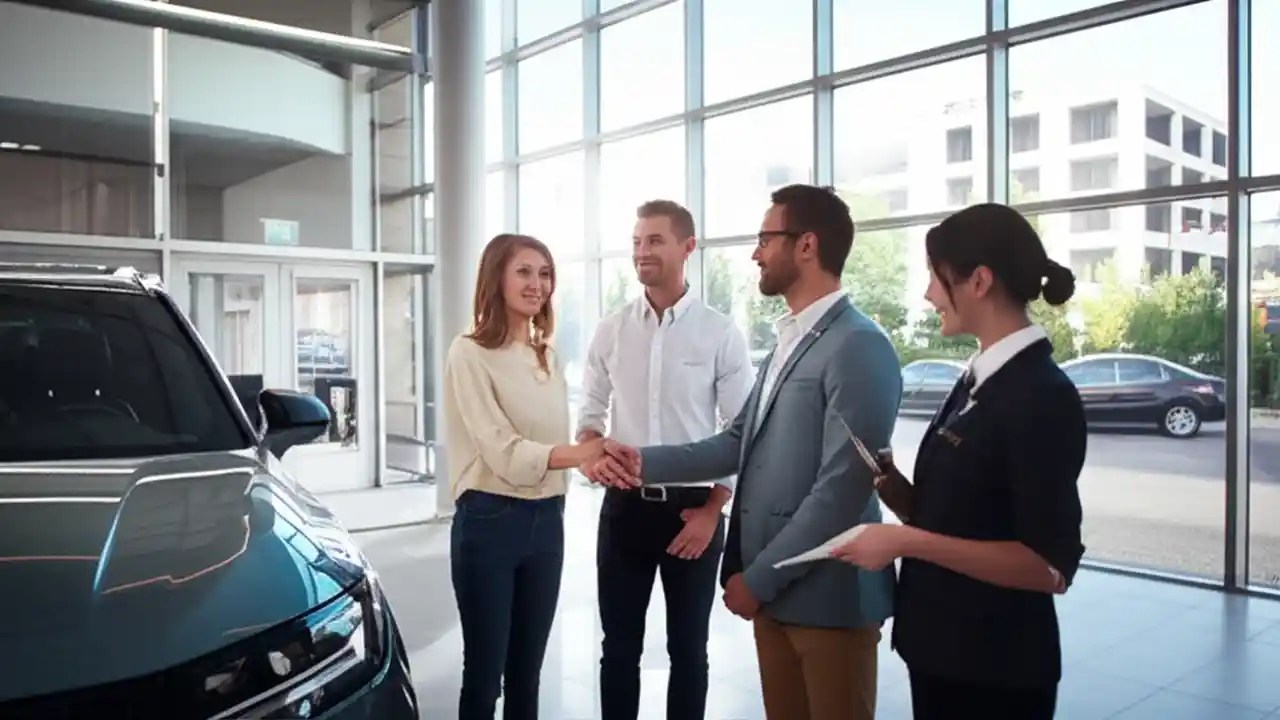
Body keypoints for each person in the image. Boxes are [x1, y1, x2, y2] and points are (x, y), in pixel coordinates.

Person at [598, 184, 902, 720]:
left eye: (766, 239)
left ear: (805, 246)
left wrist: (756, 579)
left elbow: (840, 491)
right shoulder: (788, 341)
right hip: (779, 596)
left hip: (828, 599)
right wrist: (644, 462)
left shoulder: (859, 344)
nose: (756, 253)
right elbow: (739, 441)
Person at [829, 202, 1087, 720]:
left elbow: (1047, 566)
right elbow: (979, 512)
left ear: (979, 281)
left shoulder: (1041, 394)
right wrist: (906, 499)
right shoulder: (978, 379)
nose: (927, 294)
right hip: (943, 652)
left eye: (934, 277)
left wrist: (904, 540)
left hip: (995, 667)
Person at [577, 200, 753, 720]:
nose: (642, 251)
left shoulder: (720, 333)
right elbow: (589, 411)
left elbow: (741, 432)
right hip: (625, 508)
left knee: (688, 653)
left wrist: (712, 511)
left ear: (687, 247)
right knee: (619, 649)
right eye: (636, 241)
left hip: (694, 512)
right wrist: (591, 452)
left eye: (654, 240)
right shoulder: (611, 329)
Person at [442, 233, 610, 720]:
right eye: (524, 271)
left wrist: (595, 458)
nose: (538, 284)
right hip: (489, 520)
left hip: (547, 521)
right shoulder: (468, 352)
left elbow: (557, 448)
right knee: (484, 676)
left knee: (527, 674)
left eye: (545, 273)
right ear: (495, 277)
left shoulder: (547, 356)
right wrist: (580, 454)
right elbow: (502, 450)